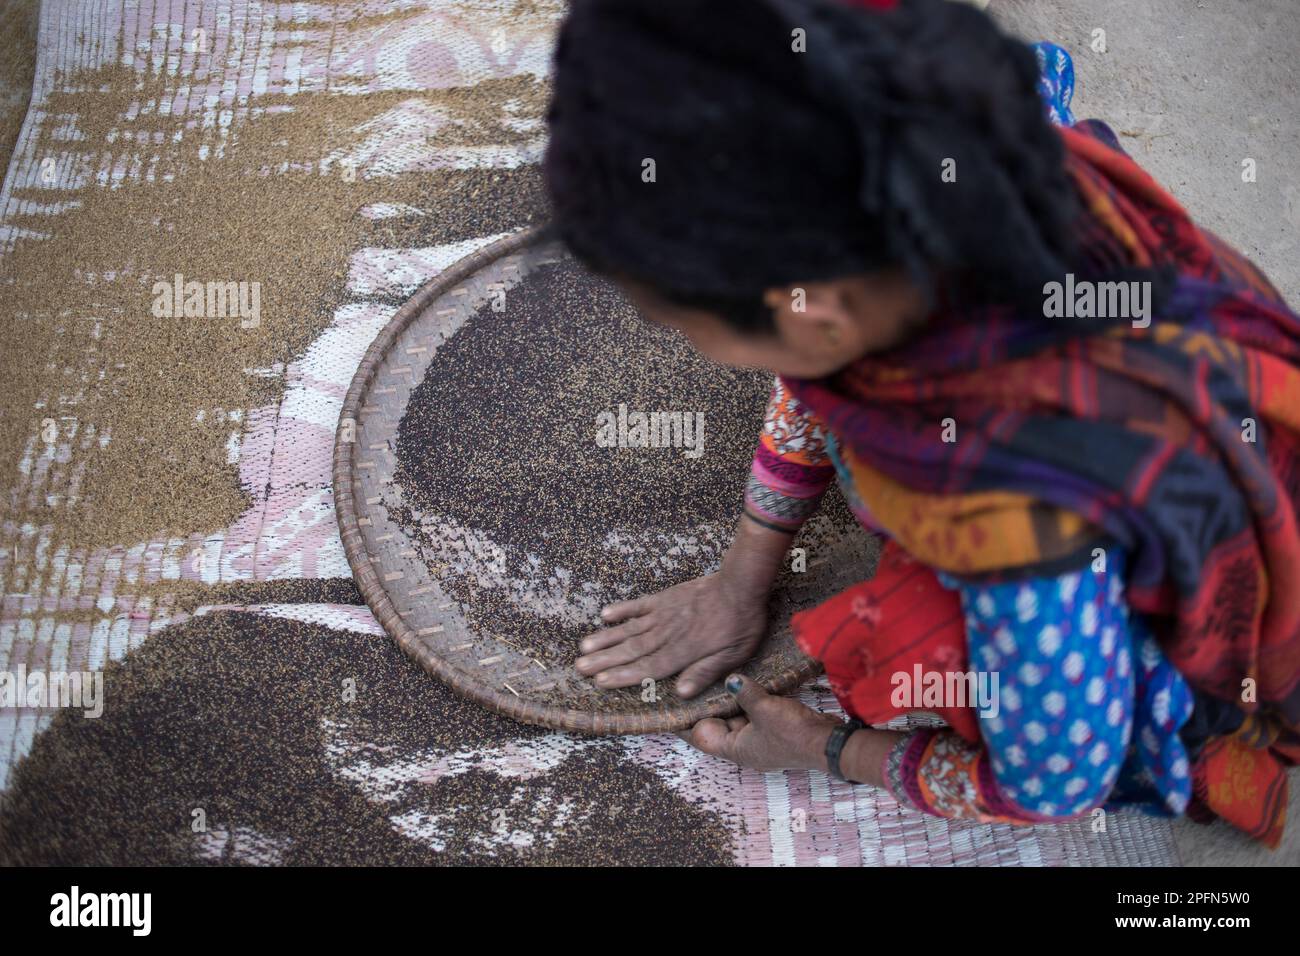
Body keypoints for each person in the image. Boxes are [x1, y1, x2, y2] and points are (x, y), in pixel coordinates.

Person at [543, 0, 1300, 844]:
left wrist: (827, 747)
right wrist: (742, 577)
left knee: (921, 645)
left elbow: (1056, 780)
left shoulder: (1020, 536)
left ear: (815, 317)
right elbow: (818, 366)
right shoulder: (975, 136)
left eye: (677, 320)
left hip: (1201, 593)